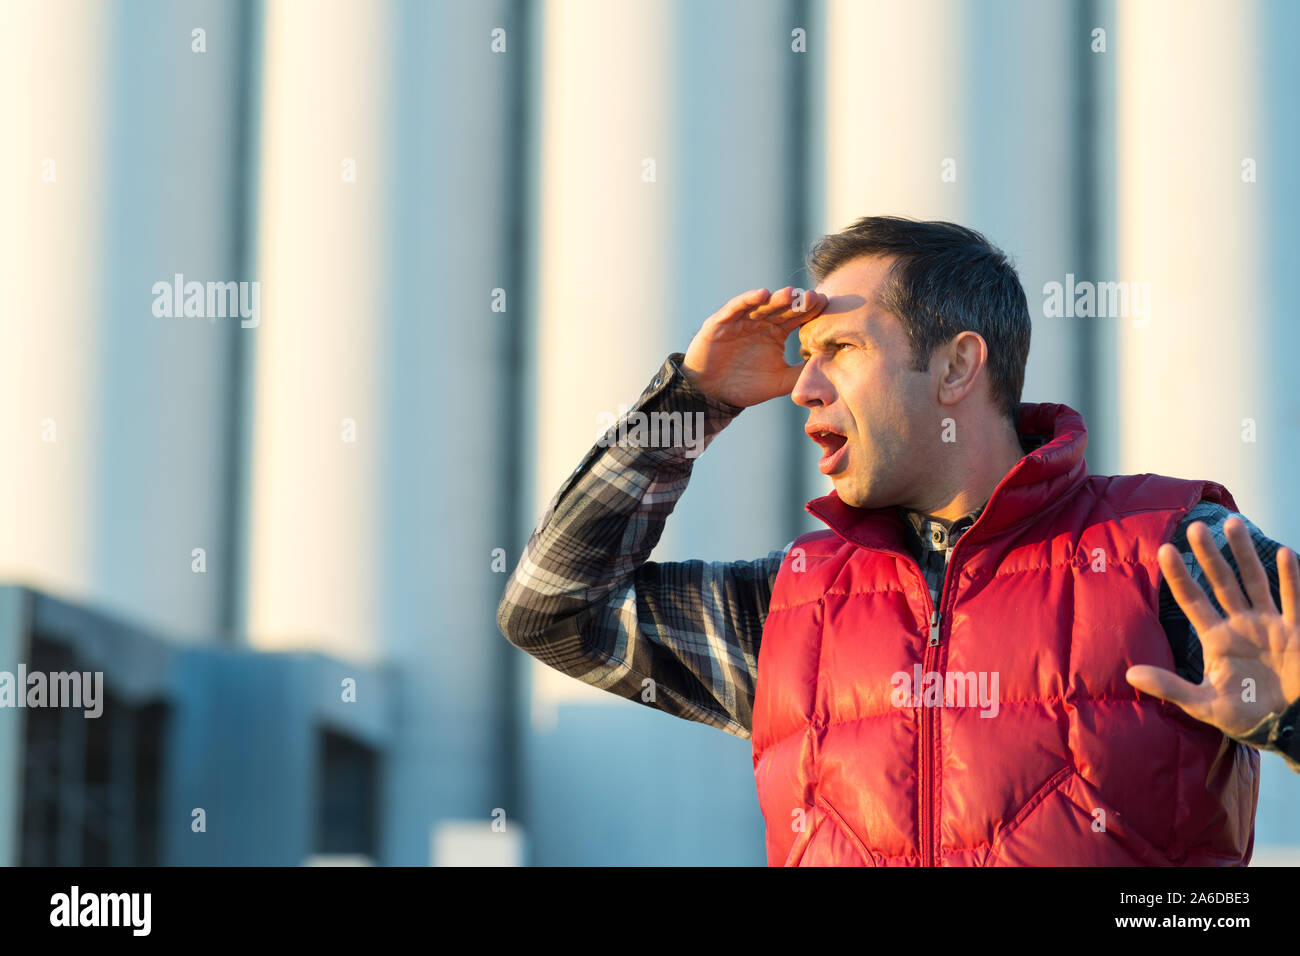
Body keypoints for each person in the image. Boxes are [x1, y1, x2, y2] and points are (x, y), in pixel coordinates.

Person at [497, 216, 1300, 866]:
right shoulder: (792, 606)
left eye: (839, 350)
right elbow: (554, 607)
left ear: (957, 369)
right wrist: (693, 401)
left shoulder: (1170, 555)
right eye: (804, 359)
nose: (802, 386)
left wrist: (1291, 721)